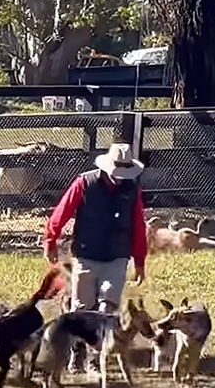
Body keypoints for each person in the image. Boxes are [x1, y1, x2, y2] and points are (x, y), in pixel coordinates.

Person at [43, 142, 149, 372]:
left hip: (117, 257)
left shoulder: (132, 190)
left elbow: (138, 226)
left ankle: (95, 359)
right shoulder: (84, 183)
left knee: (107, 308)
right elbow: (61, 213)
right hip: (87, 254)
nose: (120, 178)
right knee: (82, 308)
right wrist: (50, 241)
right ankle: (76, 355)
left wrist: (139, 262)